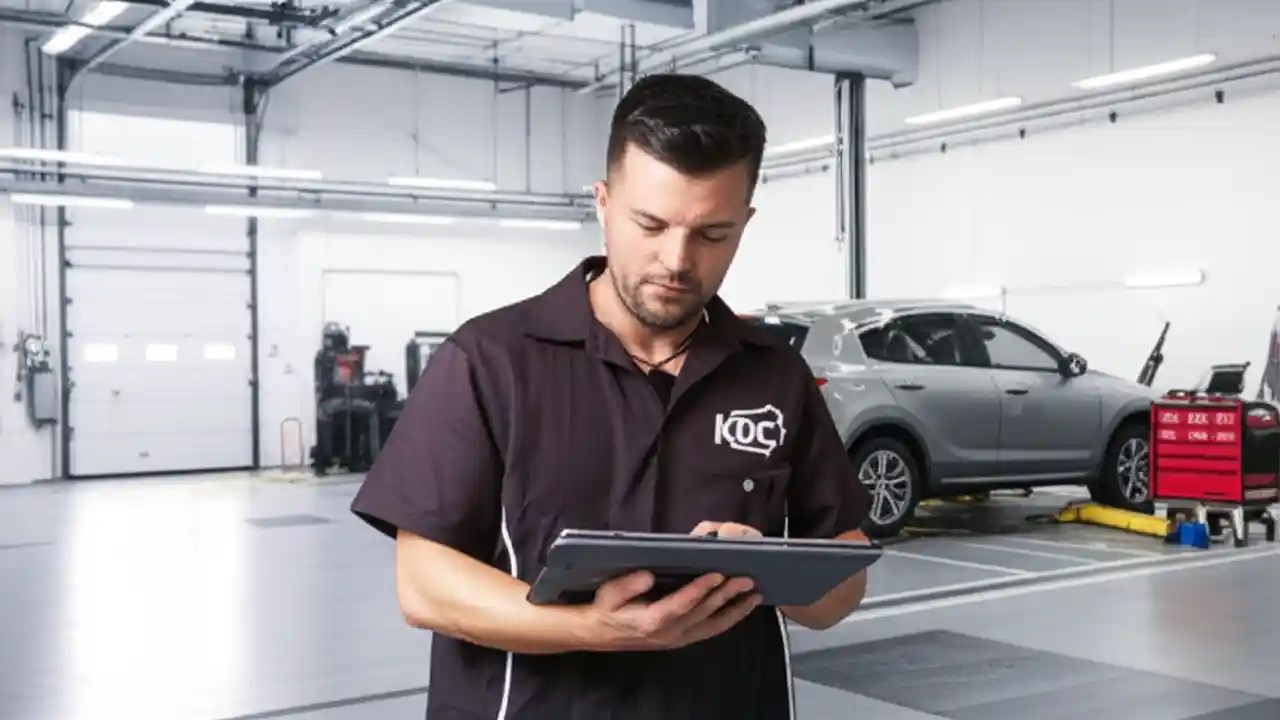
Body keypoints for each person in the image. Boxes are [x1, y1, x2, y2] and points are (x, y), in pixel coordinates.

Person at [350, 72, 872, 720]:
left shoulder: (773, 376)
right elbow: (424, 586)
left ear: (745, 222)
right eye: (649, 224)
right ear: (602, 203)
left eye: (712, 234)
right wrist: (599, 628)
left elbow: (843, 578)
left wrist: (765, 571)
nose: (677, 260)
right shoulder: (489, 362)